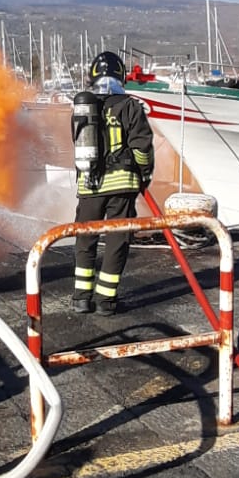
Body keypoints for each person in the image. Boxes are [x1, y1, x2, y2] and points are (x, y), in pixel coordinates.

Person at [71, 50, 154, 314]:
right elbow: (142, 147)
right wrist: (145, 174)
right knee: (117, 239)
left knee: (85, 239)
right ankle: (106, 300)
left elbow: (79, 145)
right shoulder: (130, 106)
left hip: (89, 185)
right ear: (121, 76)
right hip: (122, 184)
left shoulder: (84, 107)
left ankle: (81, 297)